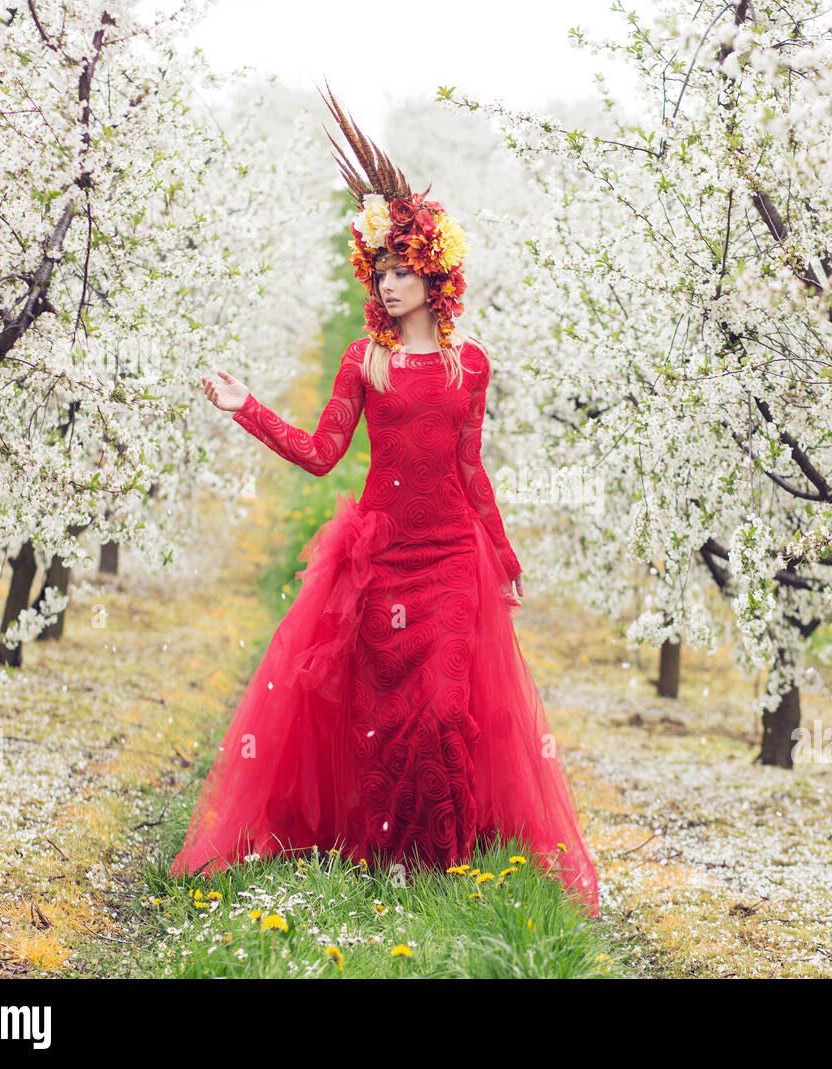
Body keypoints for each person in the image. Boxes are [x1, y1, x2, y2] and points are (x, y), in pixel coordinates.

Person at [170, 87, 600, 919]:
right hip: (381, 558)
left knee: (442, 708)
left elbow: (471, 471)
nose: (394, 283)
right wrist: (246, 406)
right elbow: (322, 453)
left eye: (407, 269)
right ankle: (385, 857)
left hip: (448, 559)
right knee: (379, 714)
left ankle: (440, 860)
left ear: (434, 274)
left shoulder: (468, 367)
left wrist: (503, 555)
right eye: (384, 270)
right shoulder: (362, 363)